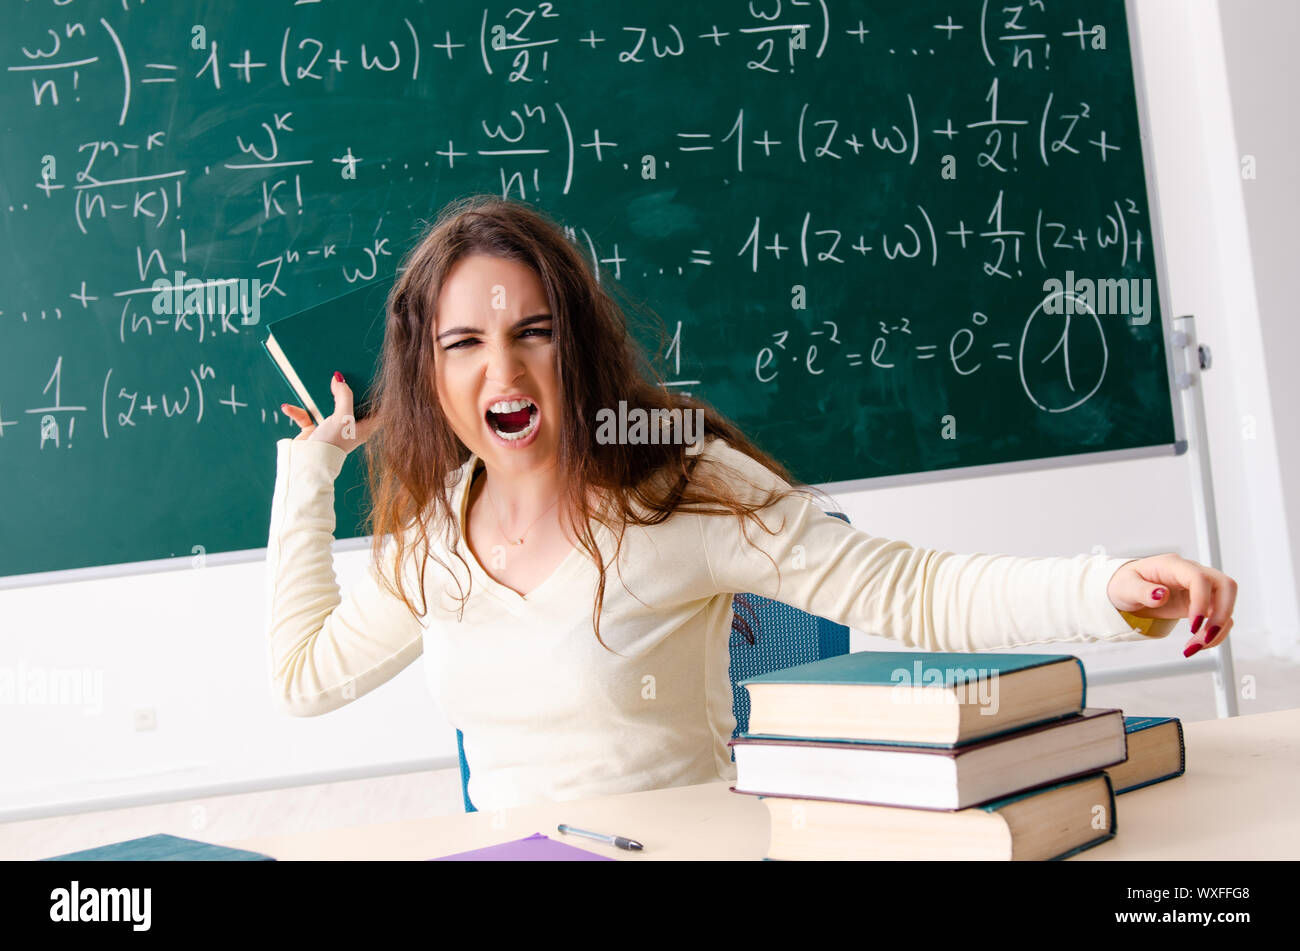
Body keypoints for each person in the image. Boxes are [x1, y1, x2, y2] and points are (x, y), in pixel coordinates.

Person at [268, 194, 1238, 813]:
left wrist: (1111, 586)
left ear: (580, 347)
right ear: (426, 371)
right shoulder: (433, 537)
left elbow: (914, 592)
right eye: (463, 344)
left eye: (534, 331)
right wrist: (309, 472)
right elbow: (306, 678)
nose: (504, 368)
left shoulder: (677, 487)